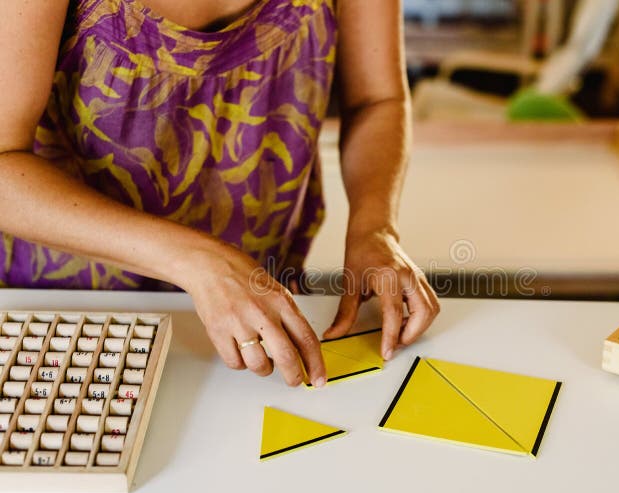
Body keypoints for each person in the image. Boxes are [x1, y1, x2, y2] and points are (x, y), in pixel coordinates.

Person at [0, 0, 439, 388]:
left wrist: (374, 228)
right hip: (67, 317)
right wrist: (197, 261)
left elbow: (376, 100)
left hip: (256, 308)